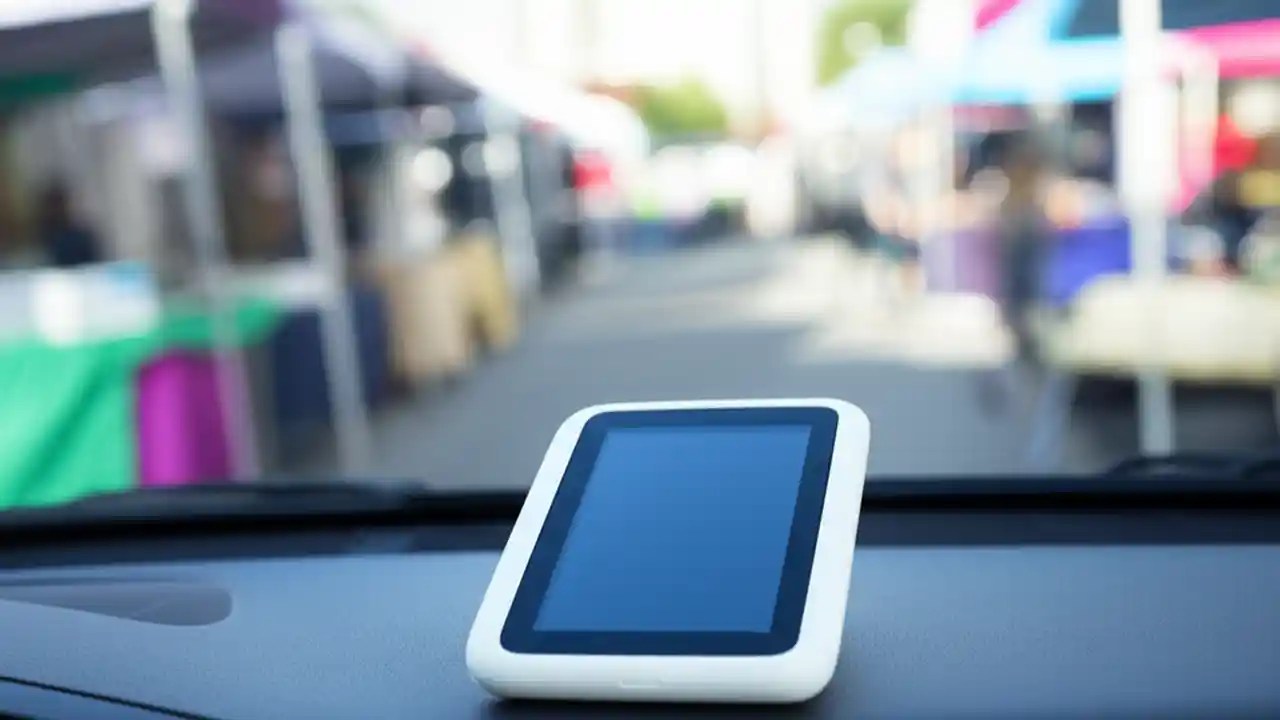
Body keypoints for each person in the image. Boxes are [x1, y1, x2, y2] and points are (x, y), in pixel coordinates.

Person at [38, 185, 102, 268]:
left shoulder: (80, 237)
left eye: (58, 205)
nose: (55, 211)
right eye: (53, 206)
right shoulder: (43, 237)